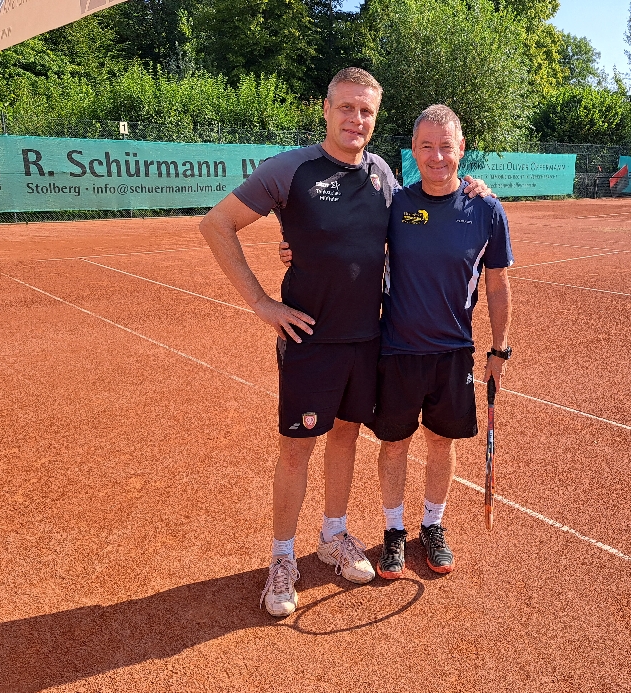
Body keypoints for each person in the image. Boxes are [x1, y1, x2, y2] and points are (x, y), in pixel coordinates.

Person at [200, 69, 489, 618]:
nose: (356, 120)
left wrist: (473, 188)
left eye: (367, 112)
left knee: (346, 440)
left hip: (369, 340)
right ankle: (282, 558)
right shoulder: (292, 169)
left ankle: (333, 537)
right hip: (310, 339)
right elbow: (216, 225)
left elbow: (430, 202)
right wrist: (262, 302)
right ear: (326, 109)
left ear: (375, 119)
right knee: (296, 450)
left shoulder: (382, 173)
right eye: (347, 108)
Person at [370, 104, 513, 579]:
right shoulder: (397, 206)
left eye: (445, 146)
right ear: (413, 150)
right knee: (393, 444)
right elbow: (346, 241)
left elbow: (496, 284)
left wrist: (499, 350)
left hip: (454, 354)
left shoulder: (486, 209)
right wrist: (293, 247)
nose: (437, 156)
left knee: (440, 441)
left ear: (461, 149)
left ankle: (432, 525)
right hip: (397, 349)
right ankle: (394, 530)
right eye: (427, 146)